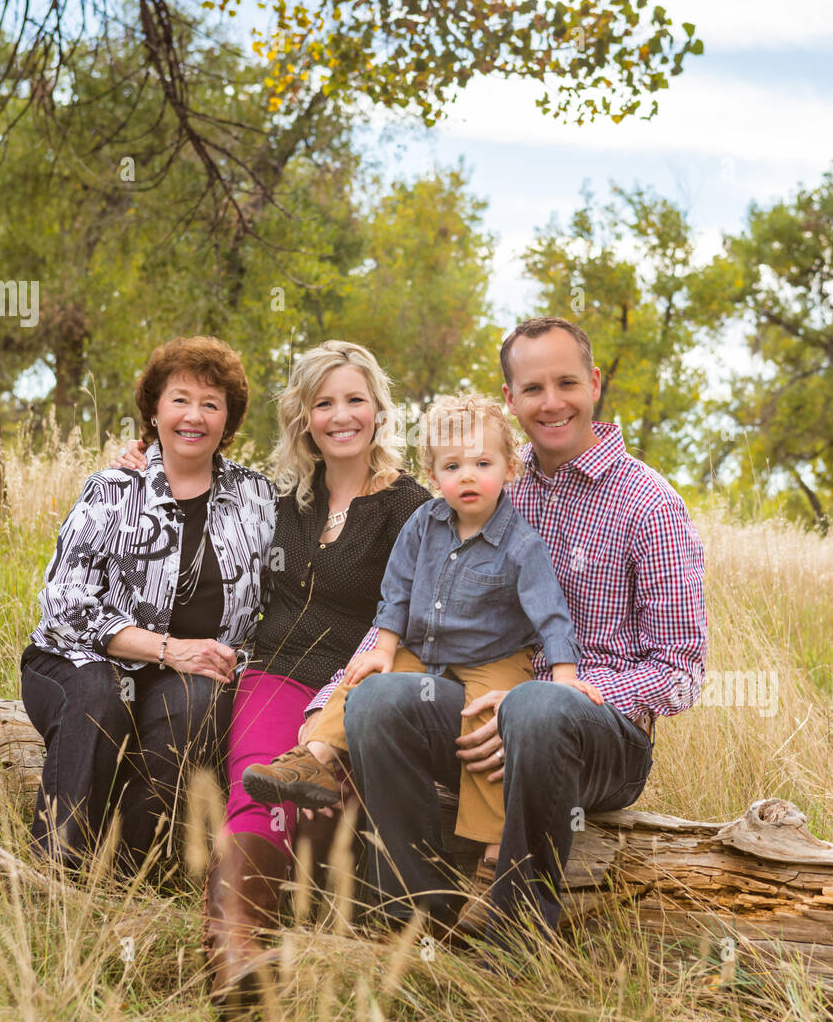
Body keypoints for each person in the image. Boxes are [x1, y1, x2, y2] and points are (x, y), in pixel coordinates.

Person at [303, 318, 708, 947]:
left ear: (594, 384)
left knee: (540, 709)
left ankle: (514, 942)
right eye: (533, 387)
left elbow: (682, 671)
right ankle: (414, 920)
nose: (551, 402)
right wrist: (333, 702)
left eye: (566, 382)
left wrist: (548, 702)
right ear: (510, 397)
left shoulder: (648, 504)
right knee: (379, 703)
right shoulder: (489, 484)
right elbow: (410, 613)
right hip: (473, 711)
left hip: (596, 733)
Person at [114, 340, 430, 1011]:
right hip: (276, 671)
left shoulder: (412, 507)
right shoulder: (279, 498)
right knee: (258, 786)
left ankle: (302, 920)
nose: (340, 416)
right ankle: (234, 952)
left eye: (354, 400)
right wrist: (140, 463)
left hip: (354, 689)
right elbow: (191, 483)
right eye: (324, 403)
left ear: (377, 409)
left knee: (313, 805)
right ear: (304, 417)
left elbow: (426, 616)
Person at [243, 391, 604, 931]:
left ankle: (488, 863)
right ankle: (313, 757)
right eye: (452, 466)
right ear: (434, 474)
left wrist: (566, 678)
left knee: (485, 723)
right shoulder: (423, 524)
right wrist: (385, 645)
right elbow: (397, 590)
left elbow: (552, 617)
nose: (468, 477)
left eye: (482, 464)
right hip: (423, 646)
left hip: (494, 657)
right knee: (365, 678)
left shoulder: (522, 544)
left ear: (509, 469)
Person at [20, 335, 277, 877]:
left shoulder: (257, 497)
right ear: (155, 408)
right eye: (180, 399)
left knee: (200, 700)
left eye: (211, 403)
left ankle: (130, 875)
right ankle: (56, 871)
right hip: (78, 661)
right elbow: (65, 608)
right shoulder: (113, 488)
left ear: (228, 421)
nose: (194, 416)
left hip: (187, 674)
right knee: (100, 693)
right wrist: (169, 649)